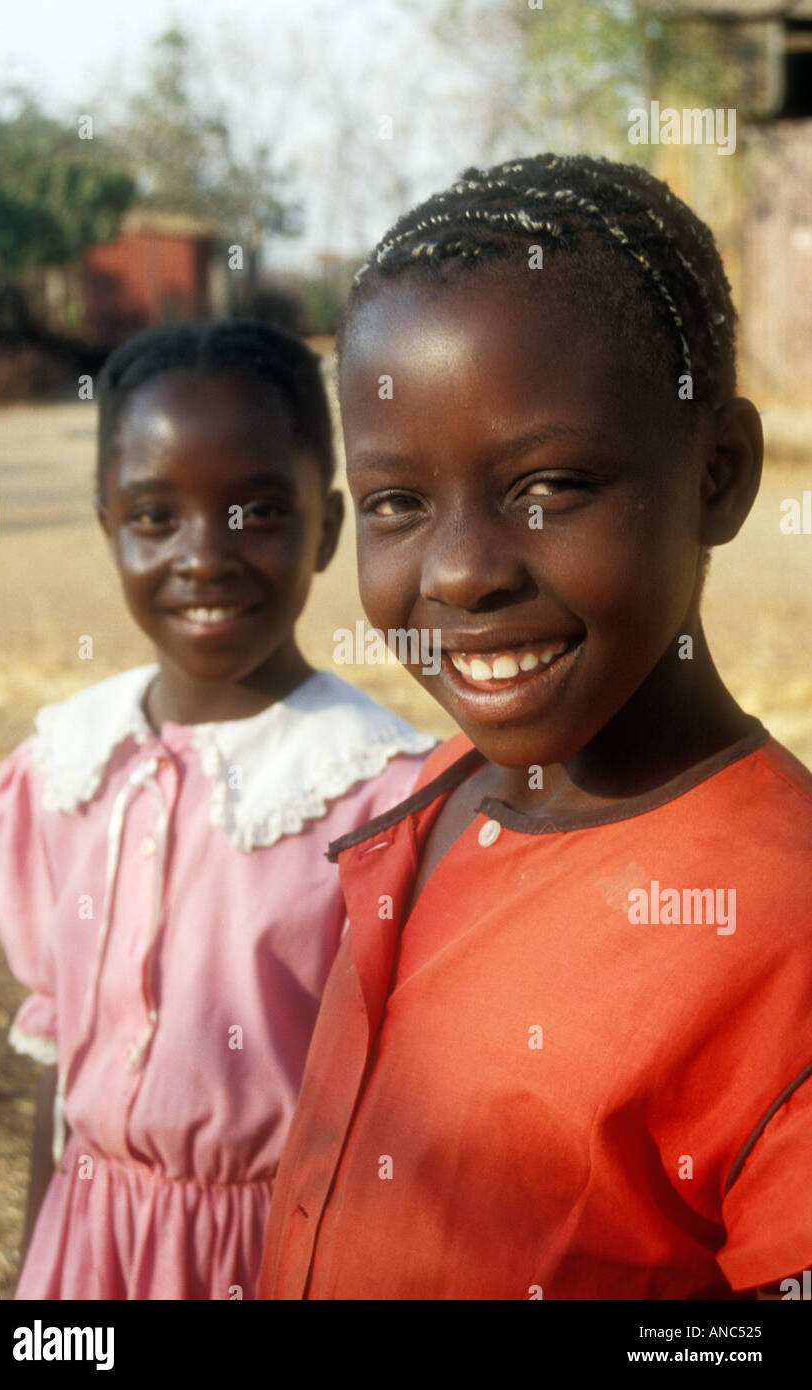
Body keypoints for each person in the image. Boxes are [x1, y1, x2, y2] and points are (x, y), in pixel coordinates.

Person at [257, 155, 812, 1301]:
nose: (458, 573)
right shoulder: (431, 802)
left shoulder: (781, 932)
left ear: (719, 473)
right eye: (398, 504)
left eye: (549, 486)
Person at [0, 320, 435, 1300]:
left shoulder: (382, 794)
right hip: (86, 1256)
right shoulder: (65, 768)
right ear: (107, 522)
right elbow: (61, 1086)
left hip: (284, 1258)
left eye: (259, 510)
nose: (204, 556)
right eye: (156, 515)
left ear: (326, 524)